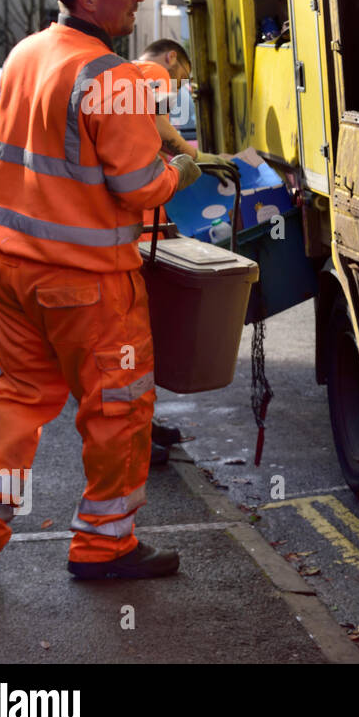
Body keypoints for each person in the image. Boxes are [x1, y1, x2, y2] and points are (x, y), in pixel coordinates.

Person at [0, 0, 204, 587]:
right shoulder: (109, 76)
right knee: (117, 406)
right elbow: (139, 185)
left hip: (12, 271)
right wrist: (180, 169)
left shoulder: (24, 55)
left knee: (12, 399)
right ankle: (104, 543)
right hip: (86, 283)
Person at [131, 40, 239, 466]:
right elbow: (164, 135)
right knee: (134, 342)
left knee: (139, 340)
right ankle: (136, 436)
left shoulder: (120, 83)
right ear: (171, 59)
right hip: (132, 238)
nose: (179, 88)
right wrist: (199, 157)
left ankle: (143, 425)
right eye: (184, 79)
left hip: (135, 231)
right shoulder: (151, 74)